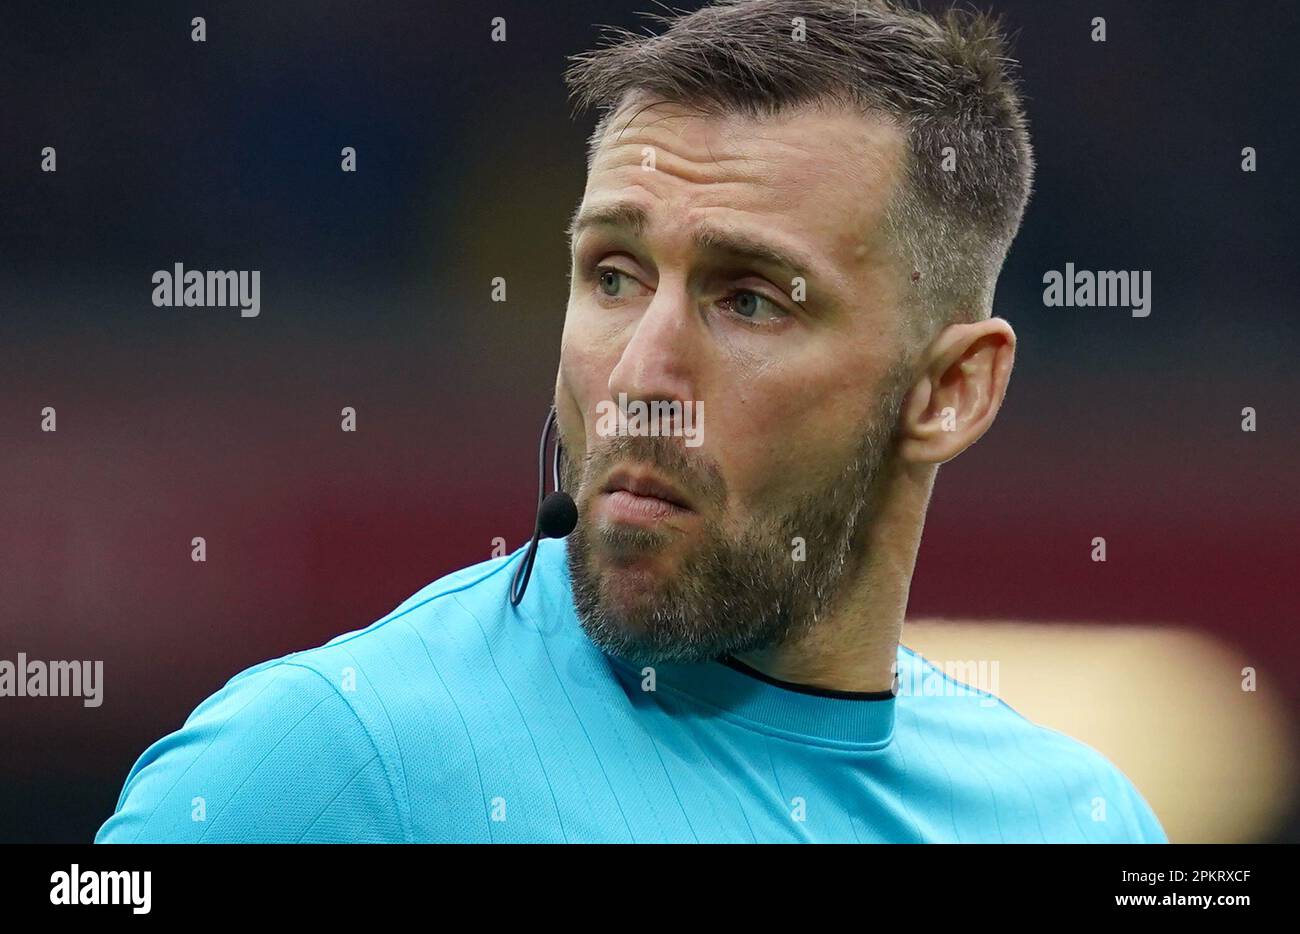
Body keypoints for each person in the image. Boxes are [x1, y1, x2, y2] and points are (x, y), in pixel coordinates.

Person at [96, 0, 1167, 843]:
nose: (639, 374)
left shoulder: (1082, 821)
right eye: (613, 275)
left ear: (949, 392)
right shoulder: (334, 759)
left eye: (749, 298)